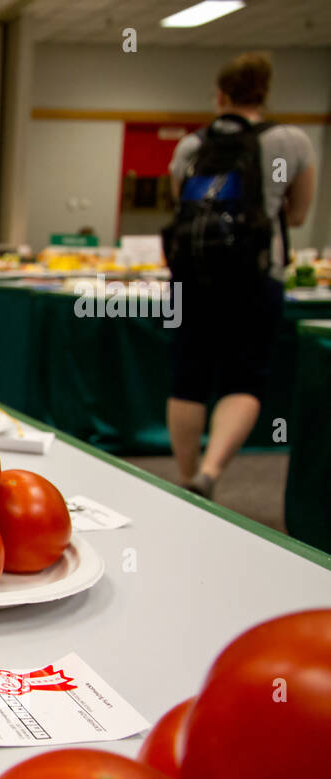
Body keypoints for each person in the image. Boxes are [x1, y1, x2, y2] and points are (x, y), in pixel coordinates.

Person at [165, 52, 315, 499]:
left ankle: (186, 473)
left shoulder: (192, 146)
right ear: (263, 94)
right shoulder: (291, 142)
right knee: (243, 377)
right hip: (255, 278)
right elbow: (301, 212)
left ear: (220, 95)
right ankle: (211, 472)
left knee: (187, 377)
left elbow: (179, 206)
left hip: (191, 278)